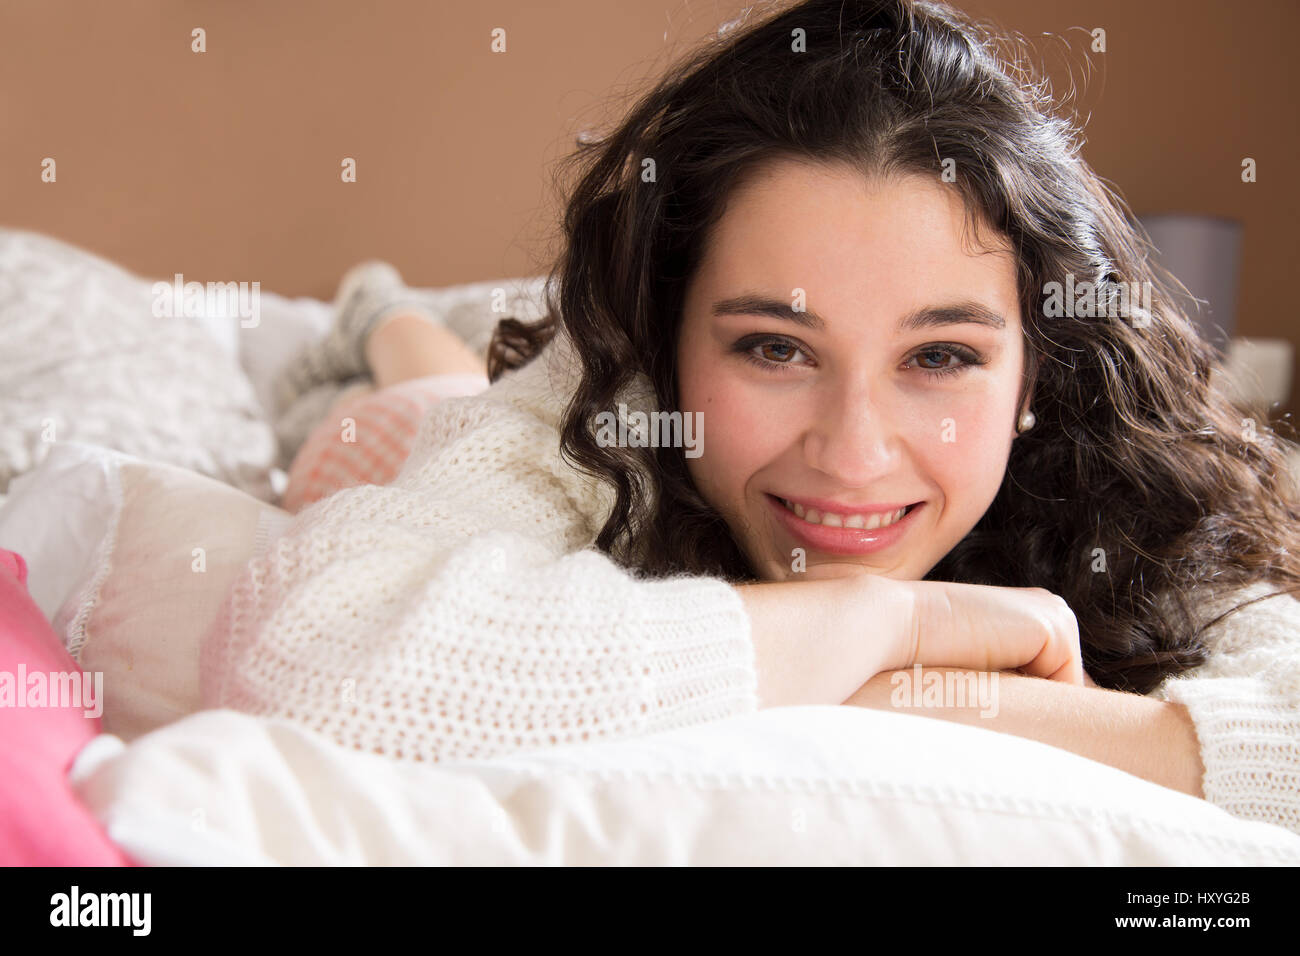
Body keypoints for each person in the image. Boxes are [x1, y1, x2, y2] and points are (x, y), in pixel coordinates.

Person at [202, 0, 1300, 836]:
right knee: (411, 398)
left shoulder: (1119, 469)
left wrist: (916, 696)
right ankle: (380, 313)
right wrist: (893, 621)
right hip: (428, 420)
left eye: (941, 355)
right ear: (666, 342)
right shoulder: (601, 401)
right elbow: (309, 655)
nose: (854, 454)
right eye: (774, 346)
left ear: (1035, 373)